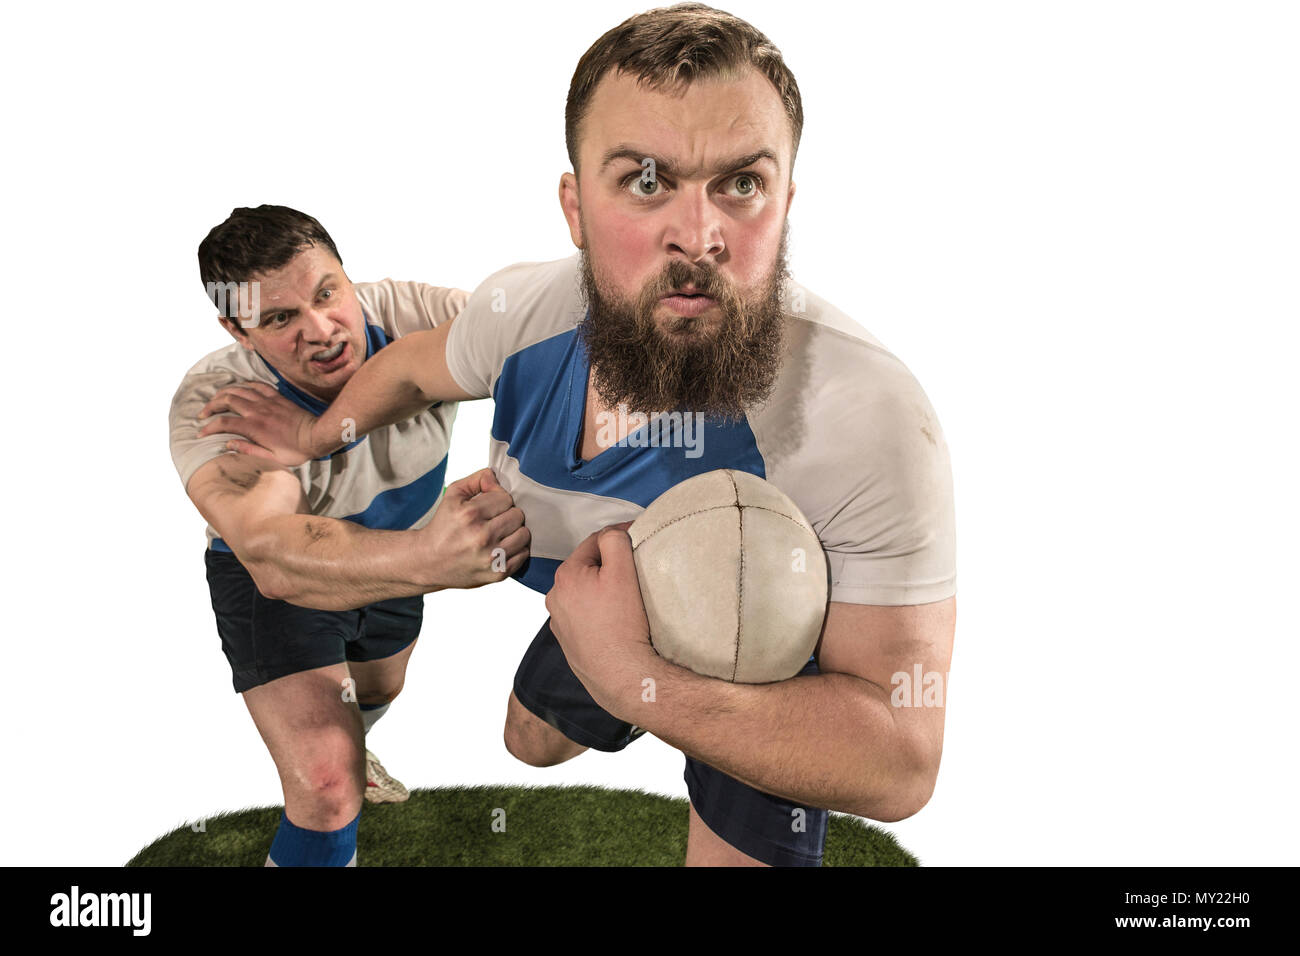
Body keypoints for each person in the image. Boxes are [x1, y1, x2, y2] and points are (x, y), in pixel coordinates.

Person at [200, 3, 956, 867]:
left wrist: (648, 680)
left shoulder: (865, 416)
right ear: (574, 205)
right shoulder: (524, 311)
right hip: (594, 600)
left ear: (786, 199)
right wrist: (313, 435)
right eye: (644, 179)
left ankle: (711, 697)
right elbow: (410, 370)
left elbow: (901, 758)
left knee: (746, 671)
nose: (698, 236)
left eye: (741, 183)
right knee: (531, 741)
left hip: (766, 655)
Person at [171, 205, 529, 866]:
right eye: (280, 319)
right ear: (236, 328)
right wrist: (431, 558)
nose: (322, 330)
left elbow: (553, 339)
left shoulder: (415, 314)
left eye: (327, 293)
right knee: (329, 790)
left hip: (397, 560)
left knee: (377, 691)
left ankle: (356, 739)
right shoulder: (219, 401)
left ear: (346, 276)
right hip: (281, 587)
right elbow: (274, 556)